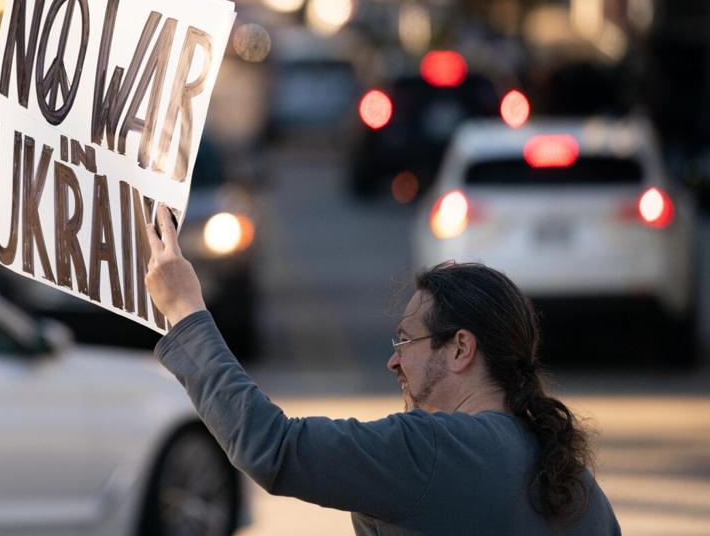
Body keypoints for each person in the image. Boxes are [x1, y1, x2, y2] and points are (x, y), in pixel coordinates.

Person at [144, 204, 620, 535]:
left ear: (460, 349)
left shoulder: (432, 449)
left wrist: (187, 313)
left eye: (406, 340)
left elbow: (274, 448)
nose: (394, 360)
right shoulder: (580, 487)